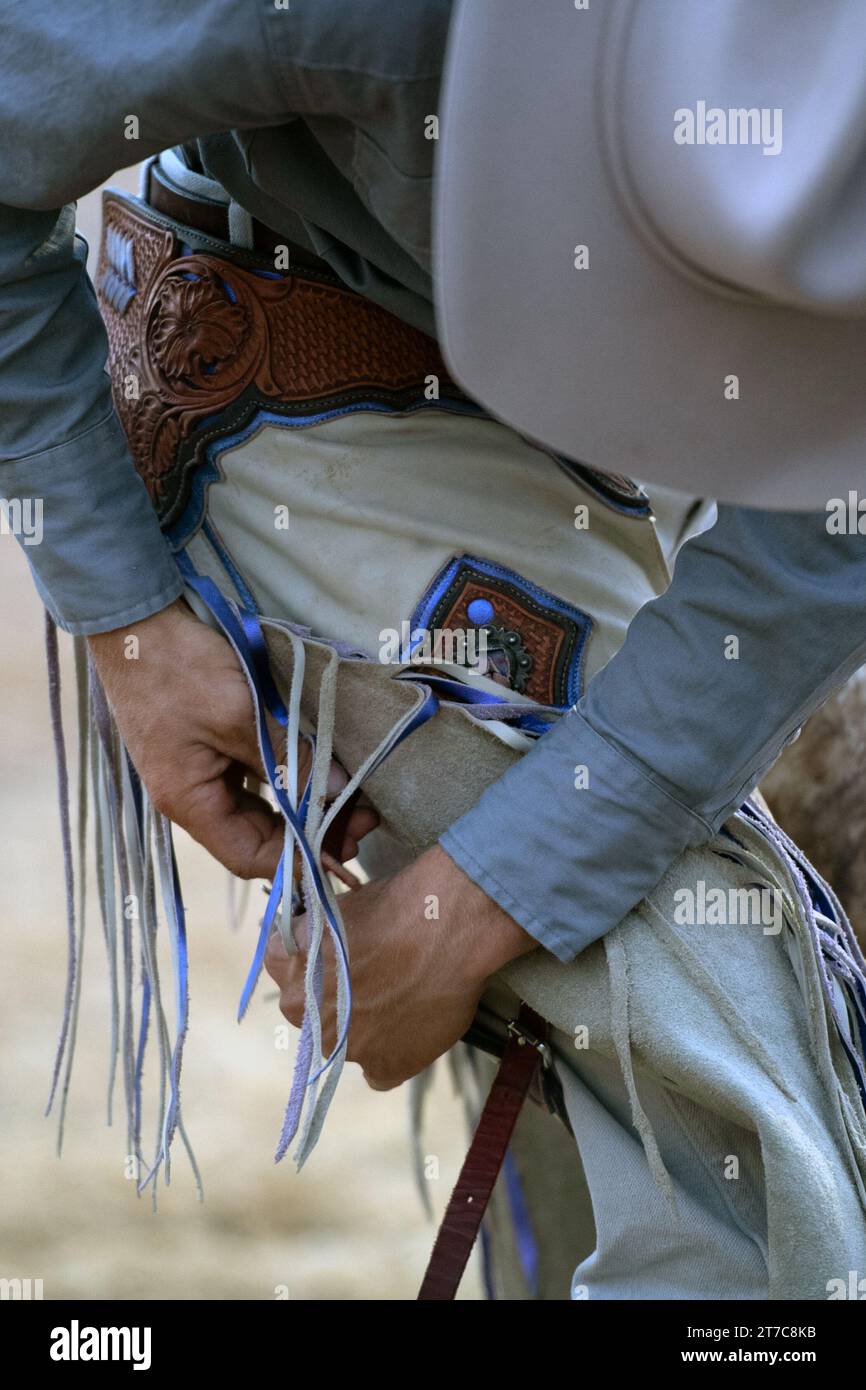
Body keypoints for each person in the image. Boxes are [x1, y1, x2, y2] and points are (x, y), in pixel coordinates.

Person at [2, 0, 866, 1299]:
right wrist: (126, 618)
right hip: (311, 327)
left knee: (608, 1005)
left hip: (683, 429)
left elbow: (824, 537)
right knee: (754, 1177)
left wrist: (469, 915)